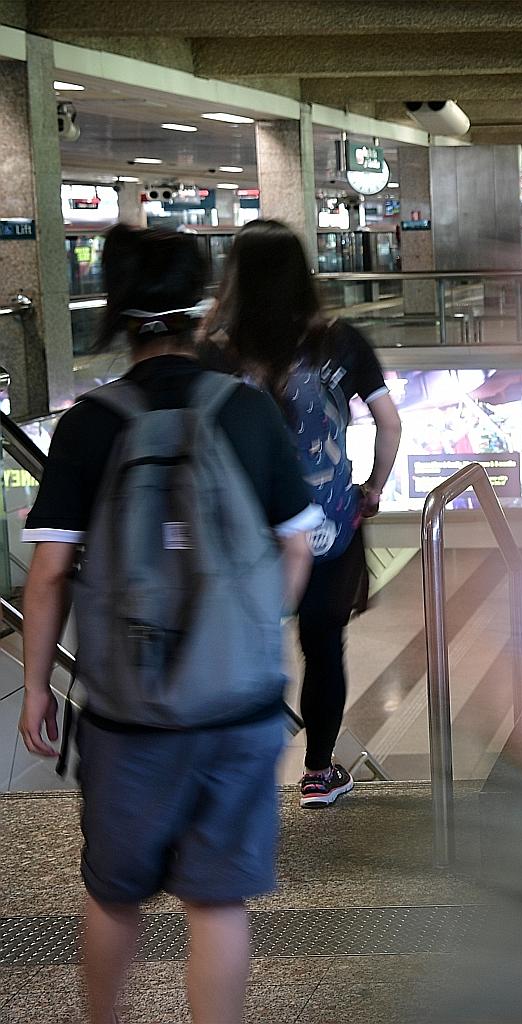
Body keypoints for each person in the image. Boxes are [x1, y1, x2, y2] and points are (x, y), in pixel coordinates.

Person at [18, 225, 318, 1024]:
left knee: (114, 897)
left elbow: (47, 575)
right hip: (238, 708)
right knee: (216, 904)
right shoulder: (248, 413)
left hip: (126, 713)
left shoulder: (88, 425)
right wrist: (255, 623)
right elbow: (297, 547)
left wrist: (36, 687)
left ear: (117, 312)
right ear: (199, 307)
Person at [203, 219, 403, 808]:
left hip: (243, 531)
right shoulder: (341, 342)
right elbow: (388, 422)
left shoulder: (214, 355)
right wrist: (372, 487)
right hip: (328, 528)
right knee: (323, 646)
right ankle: (318, 773)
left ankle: (236, 773)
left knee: (242, 643)